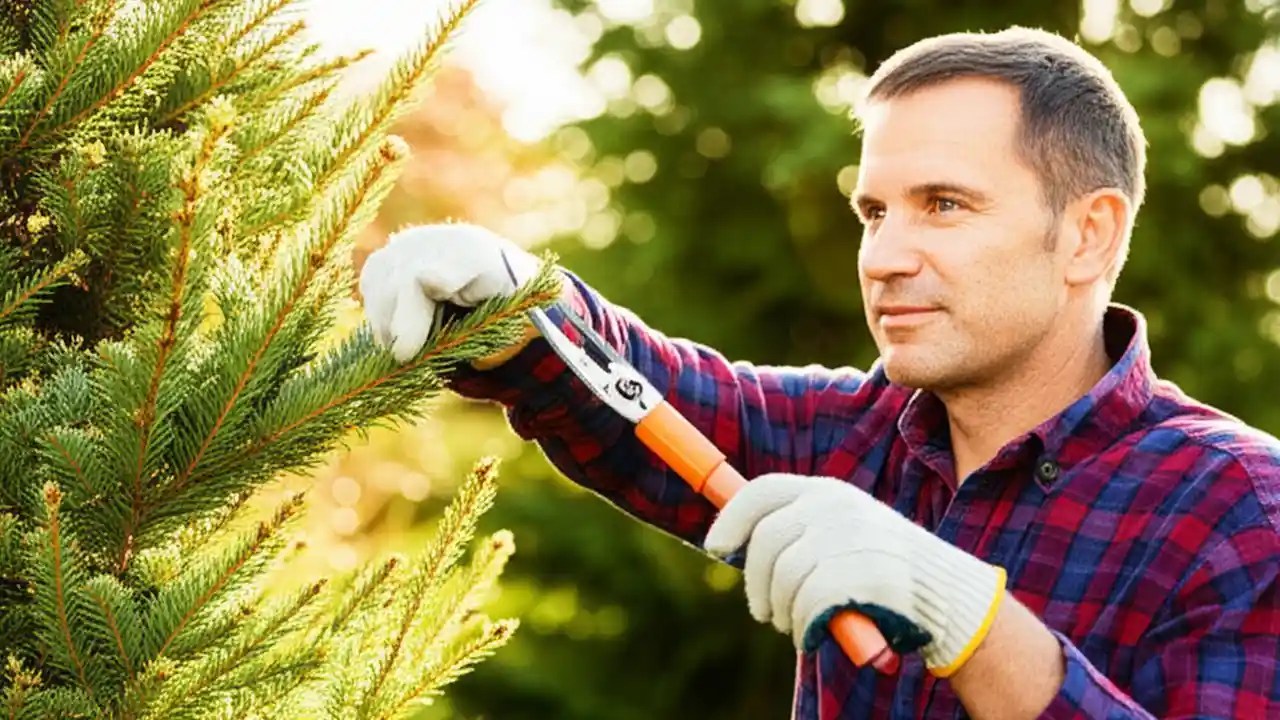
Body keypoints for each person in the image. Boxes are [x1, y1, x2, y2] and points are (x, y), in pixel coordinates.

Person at [357, 25, 1280, 720]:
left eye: (944, 205)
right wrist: (518, 300)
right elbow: (644, 396)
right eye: (874, 212)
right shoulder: (858, 437)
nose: (882, 256)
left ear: (1089, 234)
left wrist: (976, 627)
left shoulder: (1241, 512)